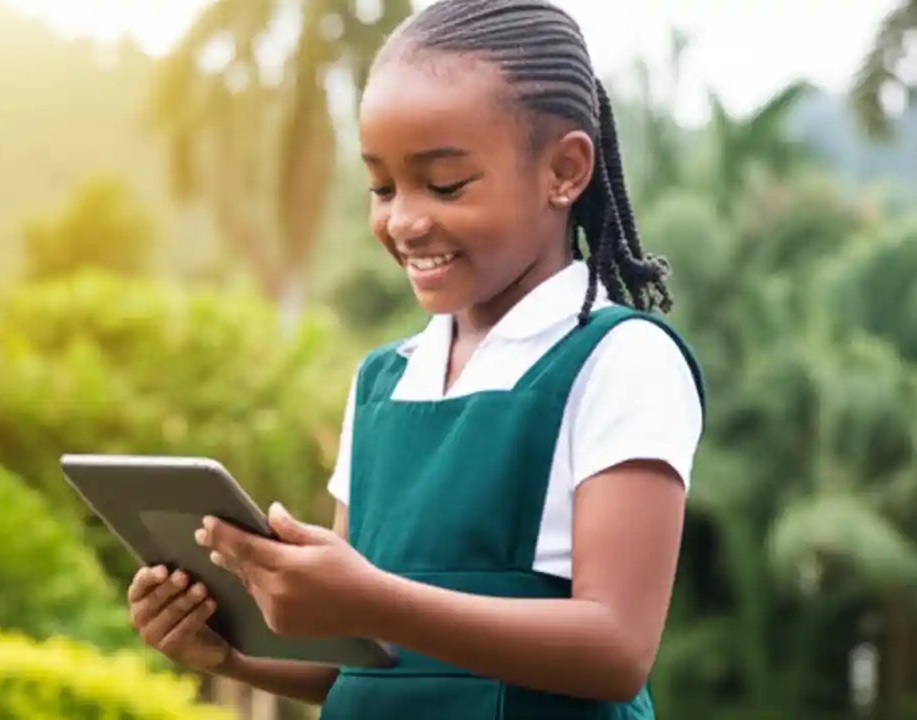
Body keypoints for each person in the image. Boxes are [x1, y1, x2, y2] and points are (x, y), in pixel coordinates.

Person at [126, 0, 705, 717]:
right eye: (381, 187)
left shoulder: (619, 359)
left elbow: (616, 650)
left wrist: (372, 598)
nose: (403, 220)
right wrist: (232, 654)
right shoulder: (383, 382)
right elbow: (368, 667)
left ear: (564, 170)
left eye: (446, 184)